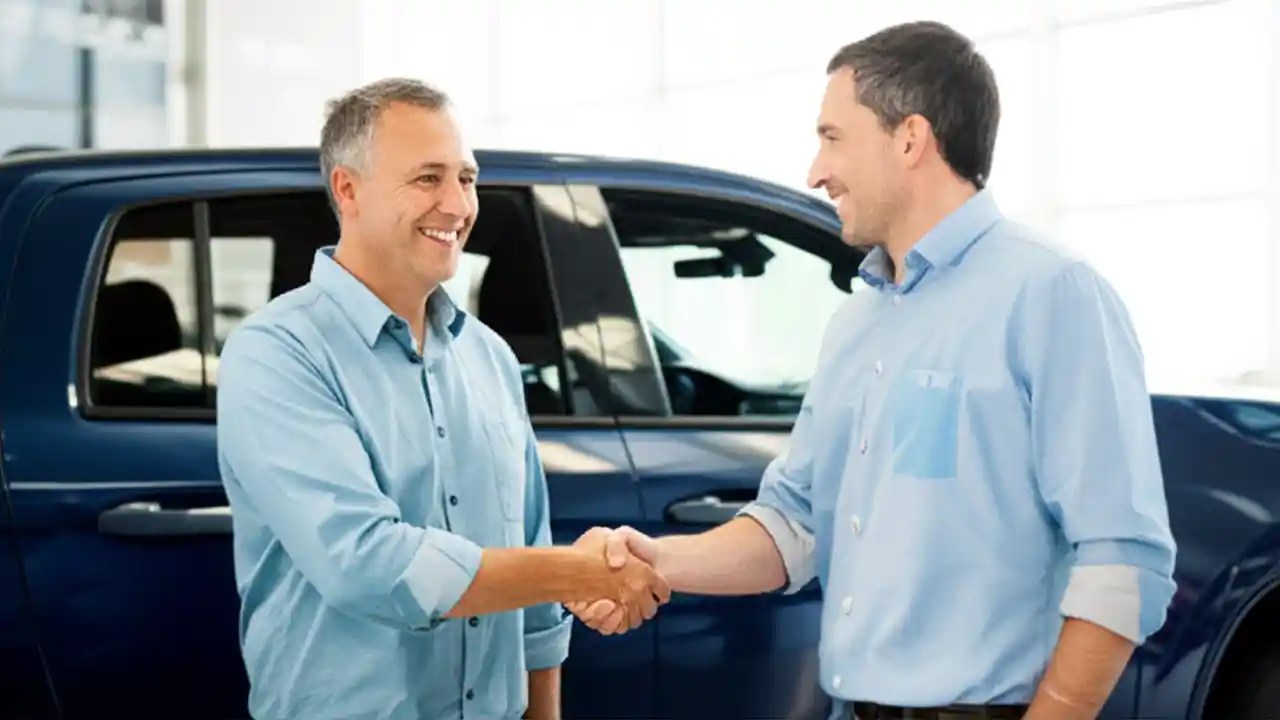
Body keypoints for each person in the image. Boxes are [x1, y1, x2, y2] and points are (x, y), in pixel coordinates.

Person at [571, 21, 1177, 720]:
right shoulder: (856, 324)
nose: (815, 171)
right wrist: (659, 559)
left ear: (910, 138)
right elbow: (793, 525)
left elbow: (1123, 560)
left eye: (833, 138)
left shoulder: (1053, 295)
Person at [215, 78, 669, 720]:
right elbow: (368, 564)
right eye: (428, 178)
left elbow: (535, 606)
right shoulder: (277, 353)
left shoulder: (490, 358)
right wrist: (578, 572)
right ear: (348, 189)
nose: (457, 205)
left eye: (467, 178)